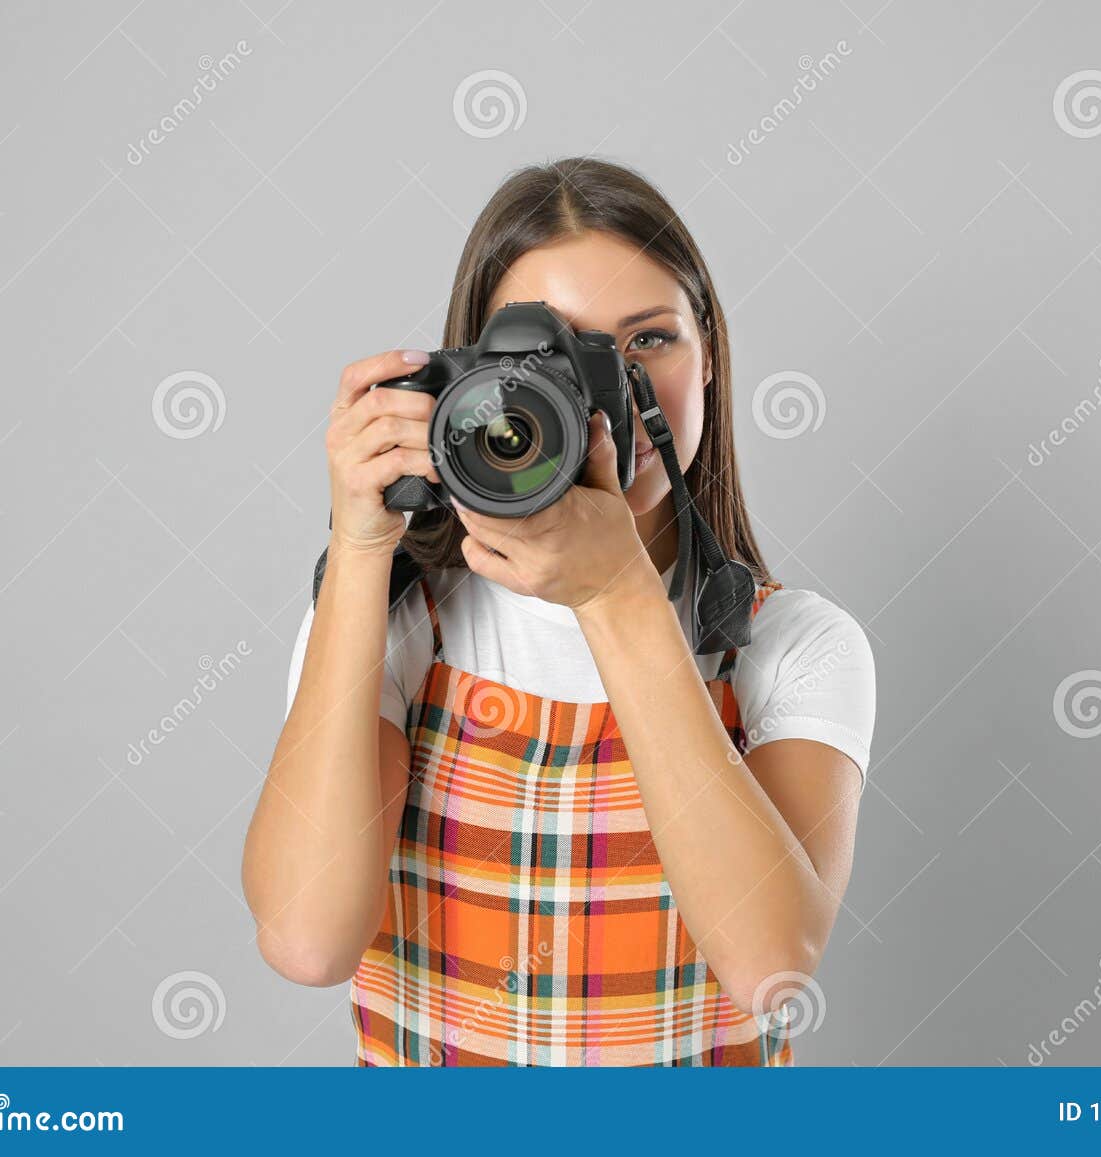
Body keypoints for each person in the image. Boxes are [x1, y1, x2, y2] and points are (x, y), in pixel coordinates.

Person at [241, 157, 876, 1066]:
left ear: (712, 363)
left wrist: (617, 593)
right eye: (555, 356)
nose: (606, 393)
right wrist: (358, 550)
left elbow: (770, 964)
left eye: (648, 341)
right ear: (468, 384)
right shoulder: (401, 630)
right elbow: (307, 940)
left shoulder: (795, 646)